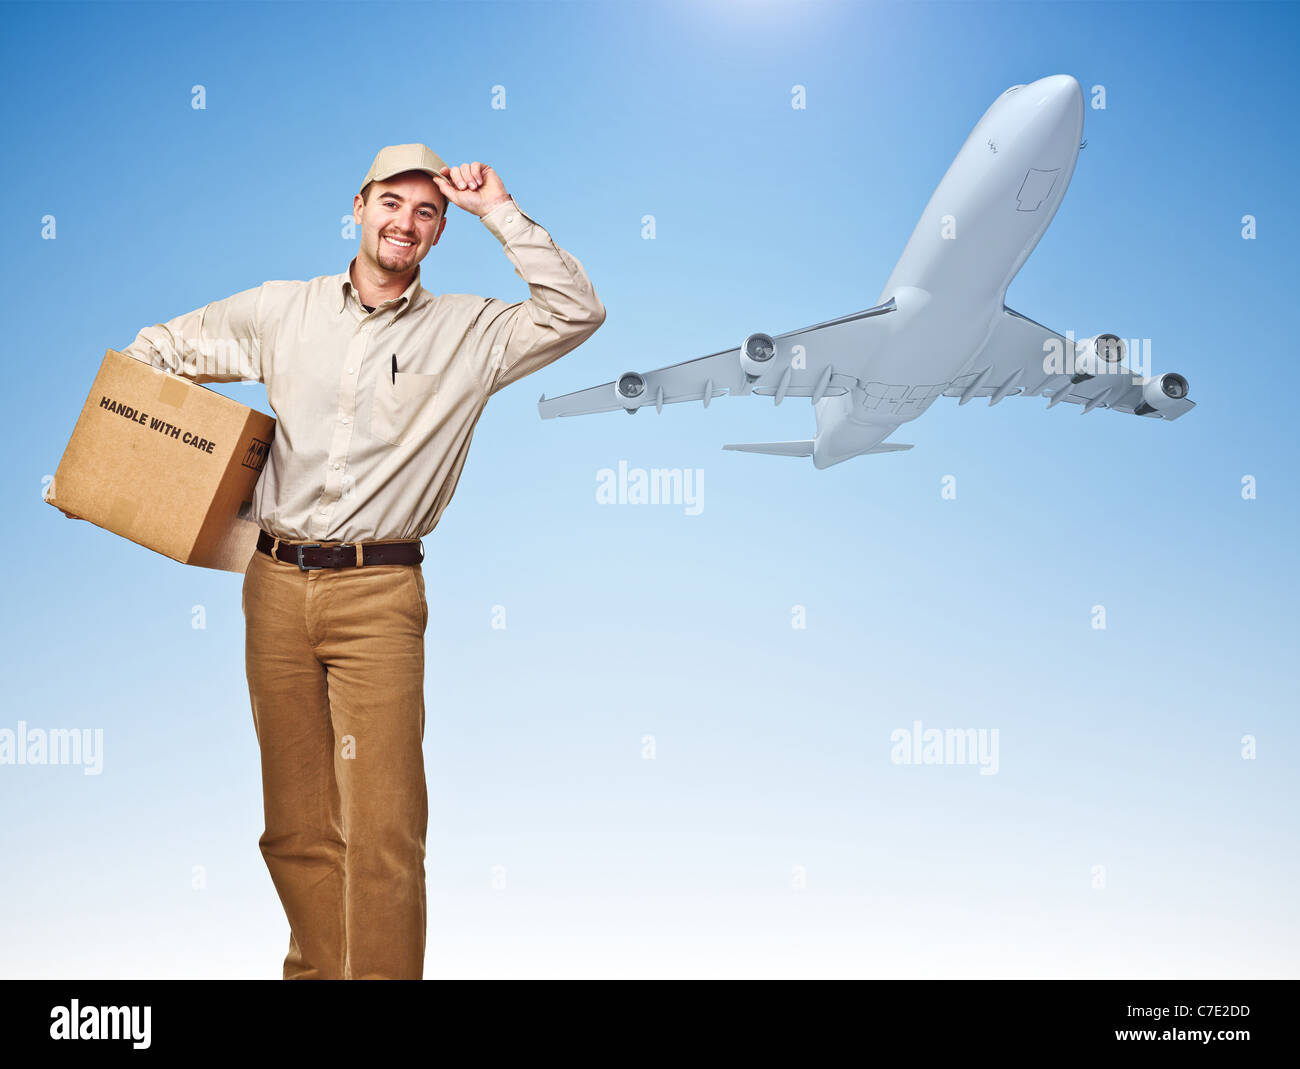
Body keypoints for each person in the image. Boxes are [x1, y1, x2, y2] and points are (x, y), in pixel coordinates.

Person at [112, 143, 606, 979]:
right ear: (359, 205)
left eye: (426, 211)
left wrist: (500, 210)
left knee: (382, 830)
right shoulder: (283, 310)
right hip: (271, 585)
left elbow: (575, 310)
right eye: (391, 203)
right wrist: (150, 456)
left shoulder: (471, 333)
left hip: (379, 592)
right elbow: (155, 350)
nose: (404, 222)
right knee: (297, 827)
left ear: (441, 230)